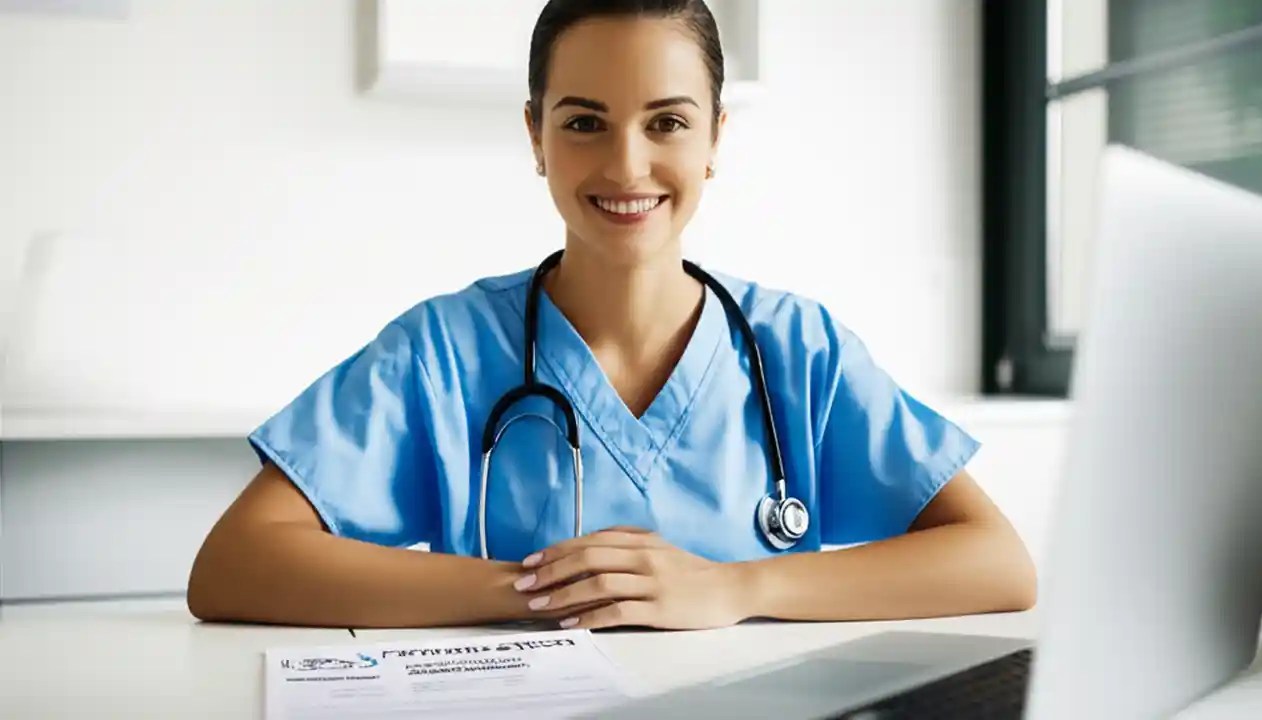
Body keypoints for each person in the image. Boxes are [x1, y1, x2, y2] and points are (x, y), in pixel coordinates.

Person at [187, 0, 1036, 631]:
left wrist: (736, 589)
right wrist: (544, 591)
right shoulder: (441, 352)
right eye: (584, 123)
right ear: (535, 137)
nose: (627, 166)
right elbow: (233, 564)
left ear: (714, 139)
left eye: (666, 122)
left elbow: (997, 560)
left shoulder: (797, 349)